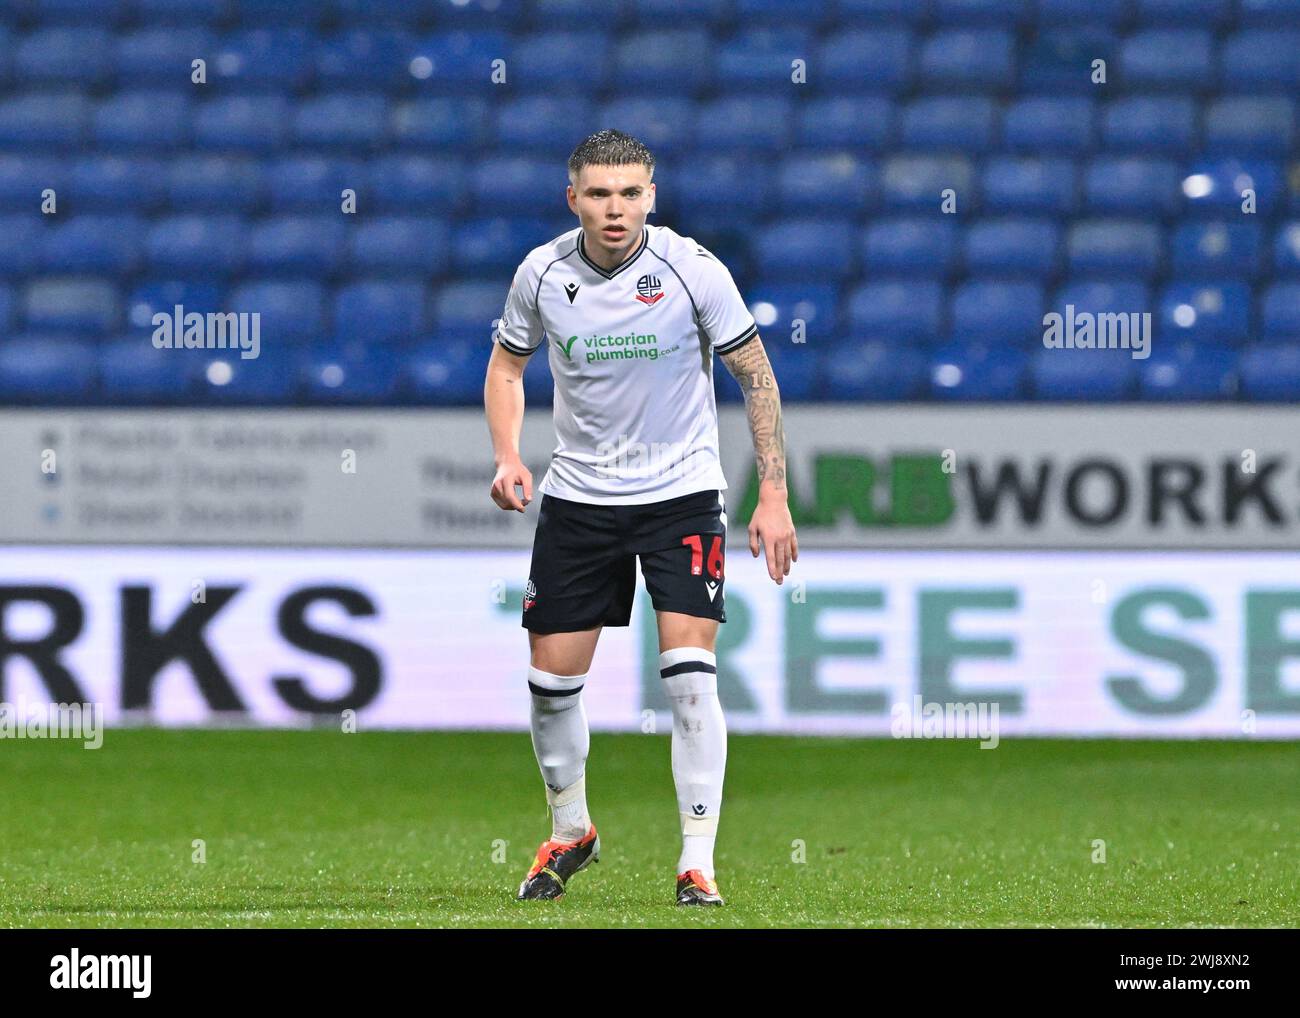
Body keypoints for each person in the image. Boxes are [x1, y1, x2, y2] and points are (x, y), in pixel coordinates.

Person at [483, 129, 797, 906]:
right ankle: (571, 831)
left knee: (689, 679)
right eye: (599, 193)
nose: (614, 208)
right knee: (550, 686)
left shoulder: (692, 270)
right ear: (574, 199)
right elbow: (506, 365)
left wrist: (775, 493)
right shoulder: (542, 274)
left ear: (650, 196)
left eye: (629, 193)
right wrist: (508, 454)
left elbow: (756, 376)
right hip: (581, 498)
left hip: (680, 494)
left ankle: (698, 862)